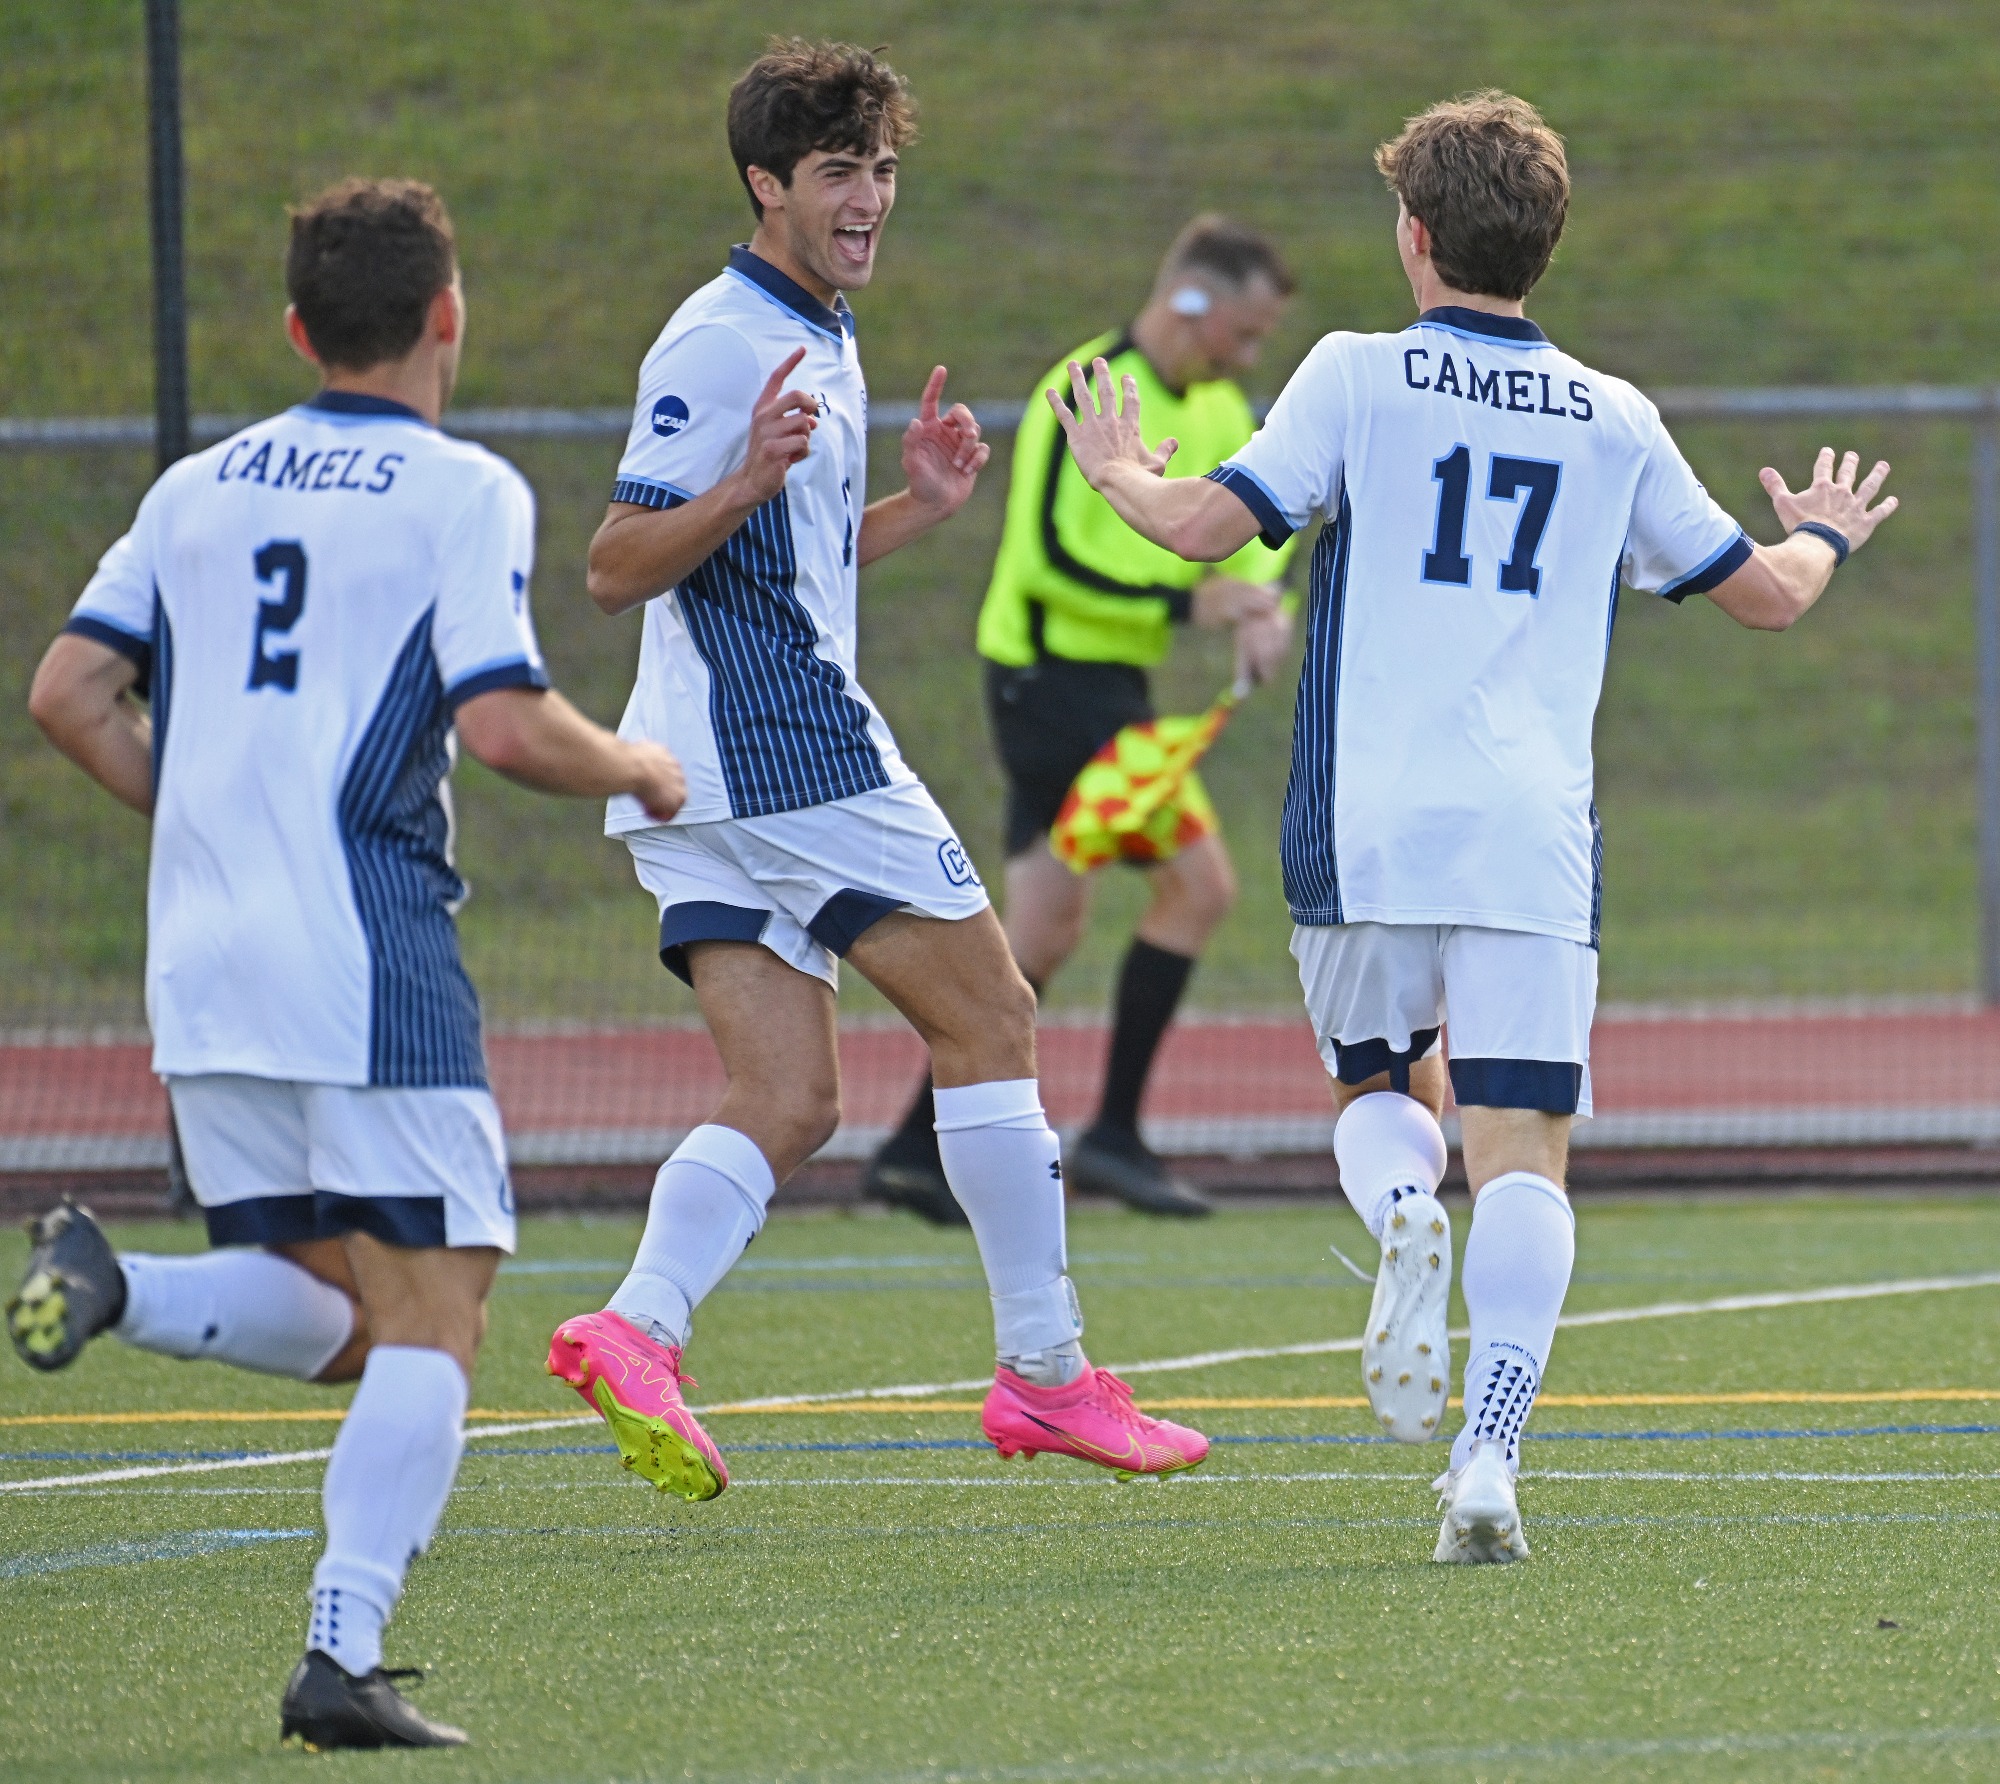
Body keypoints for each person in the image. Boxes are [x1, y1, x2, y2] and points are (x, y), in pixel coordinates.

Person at [1046, 91, 1896, 1562]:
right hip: (1529, 840)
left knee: (1382, 1095)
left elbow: (1202, 525)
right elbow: (1762, 595)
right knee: (1525, 1149)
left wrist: (1120, 468)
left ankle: (1395, 1219)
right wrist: (1821, 529)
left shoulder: (1356, 375)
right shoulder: (1614, 414)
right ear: (1544, 246)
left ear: (1416, 235)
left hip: (1365, 819)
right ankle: (1490, 1458)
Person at [8, 178, 686, 1746]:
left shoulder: (193, 490)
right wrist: (640, 768)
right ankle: (342, 1647)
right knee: (440, 1312)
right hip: (365, 950)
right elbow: (508, 726)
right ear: (450, 313)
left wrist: (199, 816)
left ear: (299, 329)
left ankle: (117, 1282)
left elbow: (66, 694)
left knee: (350, 1313)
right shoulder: (458, 489)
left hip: (204, 955)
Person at [544, 40, 1208, 1498]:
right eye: (840, 172)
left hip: (706, 771)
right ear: (764, 181)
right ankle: (1045, 1376)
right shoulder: (720, 338)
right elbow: (611, 567)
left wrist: (918, 505)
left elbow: (774, 556)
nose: (869, 200)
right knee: (993, 1015)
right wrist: (738, 480)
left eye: (885, 170)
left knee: (787, 1098)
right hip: (783, 753)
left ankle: (635, 1328)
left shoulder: (820, 324)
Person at [864, 217, 1298, 1223]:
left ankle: (914, 1149)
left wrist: (1259, 605)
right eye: (1242, 329)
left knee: (1042, 931)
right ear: (1191, 304)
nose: (1248, 353)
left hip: (1116, 687)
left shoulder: (1226, 403)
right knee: (1198, 887)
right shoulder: (1091, 383)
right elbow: (1059, 559)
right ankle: (1110, 1134)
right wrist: (1194, 606)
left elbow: (1249, 530)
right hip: (1049, 680)